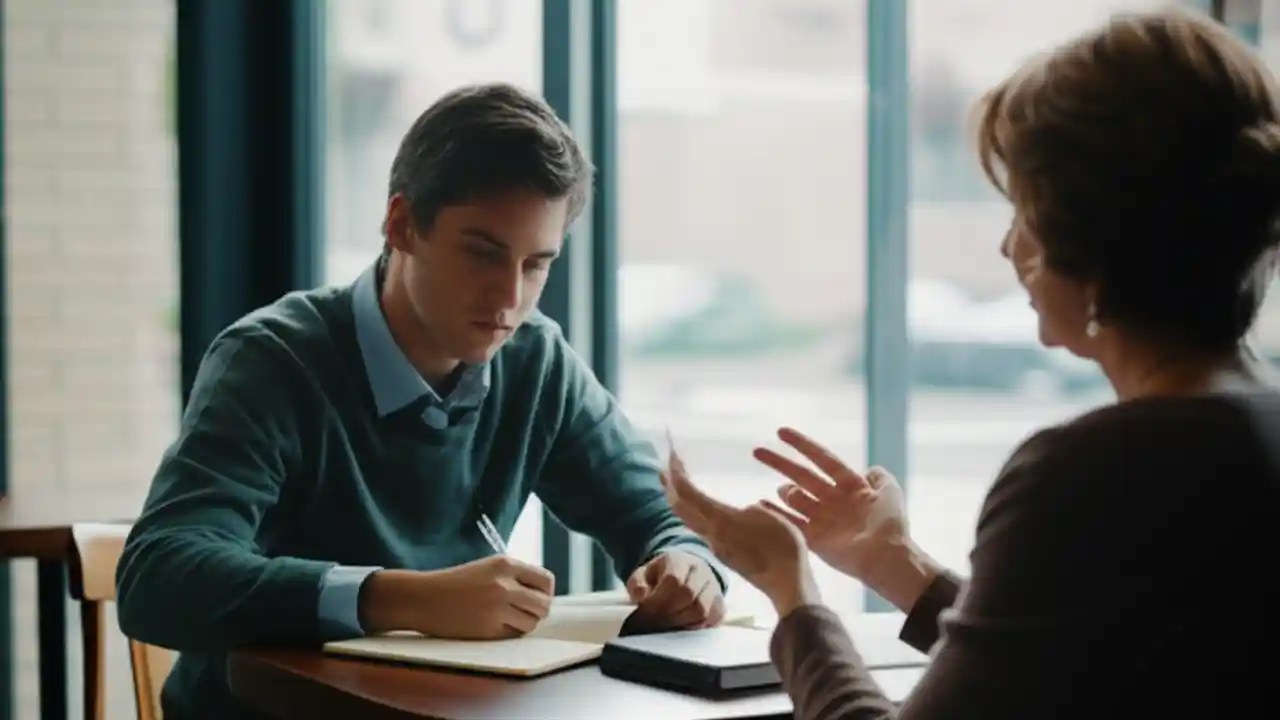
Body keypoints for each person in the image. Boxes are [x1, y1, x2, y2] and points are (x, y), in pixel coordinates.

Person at [663, 8, 1280, 719]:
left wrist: (791, 592)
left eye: (1022, 212)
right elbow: (1076, 658)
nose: (1007, 247)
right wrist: (895, 564)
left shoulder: (1094, 475)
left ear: (1088, 243)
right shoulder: (1240, 443)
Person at [115, 82, 727, 718]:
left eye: (536, 265)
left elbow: (660, 517)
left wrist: (685, 566)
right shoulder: (272, 362)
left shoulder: (534, 361)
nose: (509, 299)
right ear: (401, 224)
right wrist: (404, 599)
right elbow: (158, 578)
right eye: (483, 253)